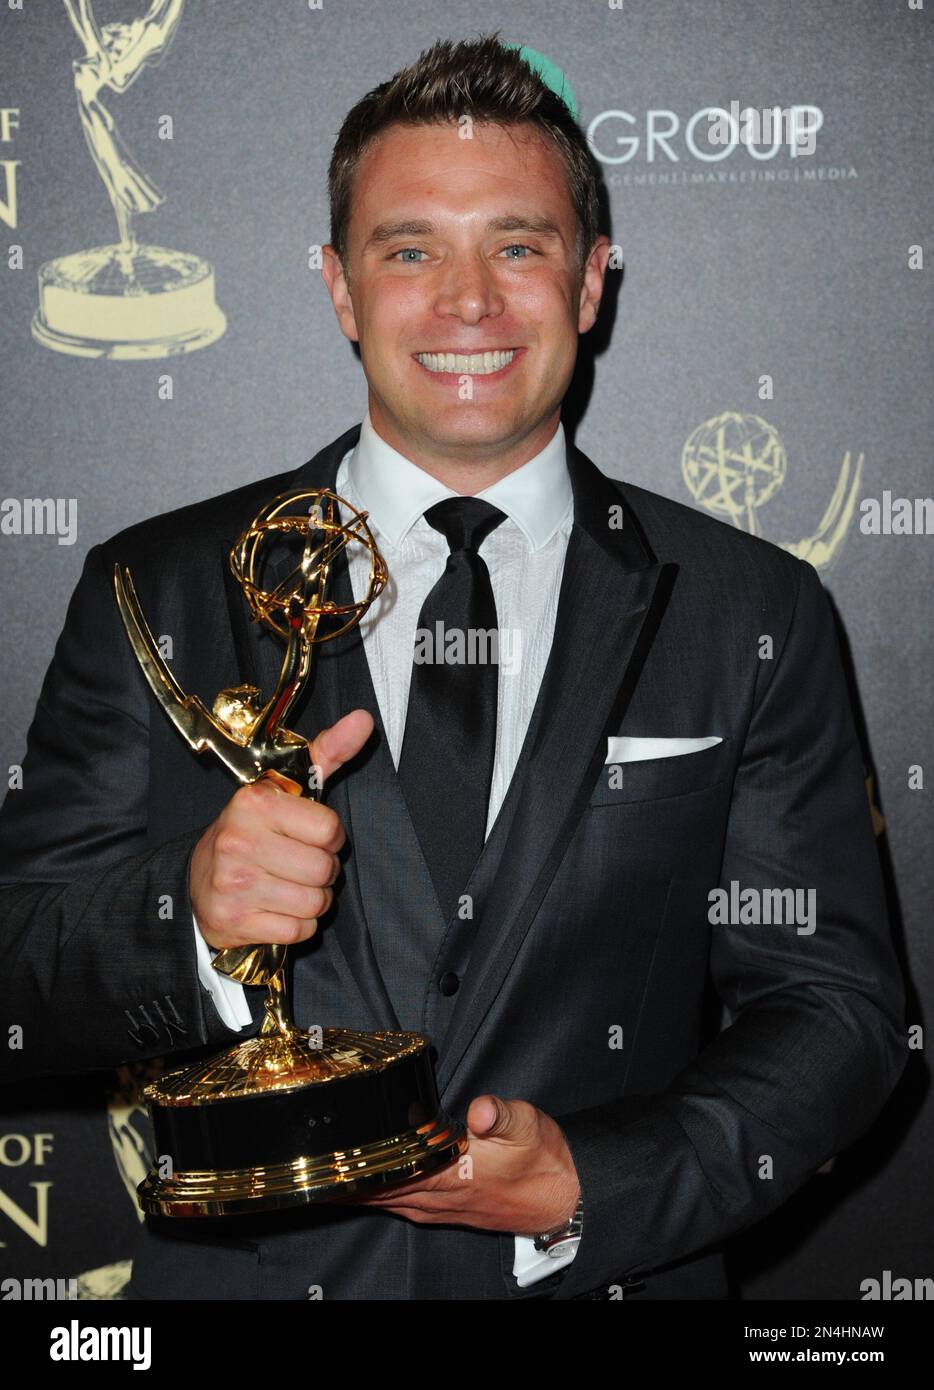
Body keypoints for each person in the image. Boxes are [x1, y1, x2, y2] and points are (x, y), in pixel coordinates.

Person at [0, 33, 907, 1301]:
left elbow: (840, 1011)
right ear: (338, 287)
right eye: (409, 248)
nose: (467, 302)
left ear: (591, 282)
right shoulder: (154, 588)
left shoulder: (751, 607)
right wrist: (189, 915)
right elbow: (19, 976)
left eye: (519, 247)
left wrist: (596, 1180)